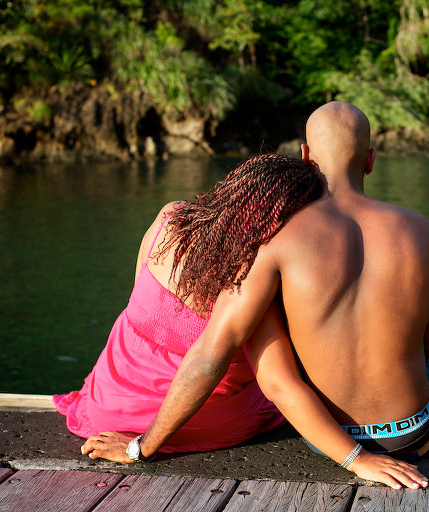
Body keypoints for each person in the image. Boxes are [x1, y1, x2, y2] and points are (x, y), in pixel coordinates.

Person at [81, 102, 429, 490]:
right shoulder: (423, 229)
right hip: (413, 435)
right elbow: (426, 344)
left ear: (306, 155)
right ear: (370, 160)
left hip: (326, 437)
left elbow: (215, 353)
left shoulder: (273, 241)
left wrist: (140, 449)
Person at [53, 154, 322, 453]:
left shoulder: (169, 218)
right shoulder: (249, 278)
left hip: (108, 402)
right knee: (290, 393)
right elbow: (274, 383)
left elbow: (133, 312)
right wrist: (140, 448)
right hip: (178, 424)